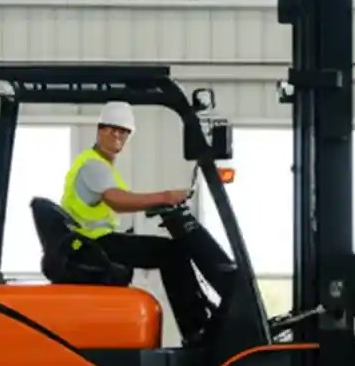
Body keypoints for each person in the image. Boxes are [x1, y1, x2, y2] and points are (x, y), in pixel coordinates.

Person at [59, 100, 232, 342]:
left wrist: (161, 203)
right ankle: (195, 330)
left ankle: (197, 325)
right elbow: (117, 200)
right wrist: (165, 197)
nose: (117, 135)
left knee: (171, 251)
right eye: (112, 129)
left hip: (92, 242)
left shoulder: (100, 165)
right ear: (100, 129)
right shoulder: (93, 165)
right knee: (171, 253)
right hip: (92, 245)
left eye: (123, 131)